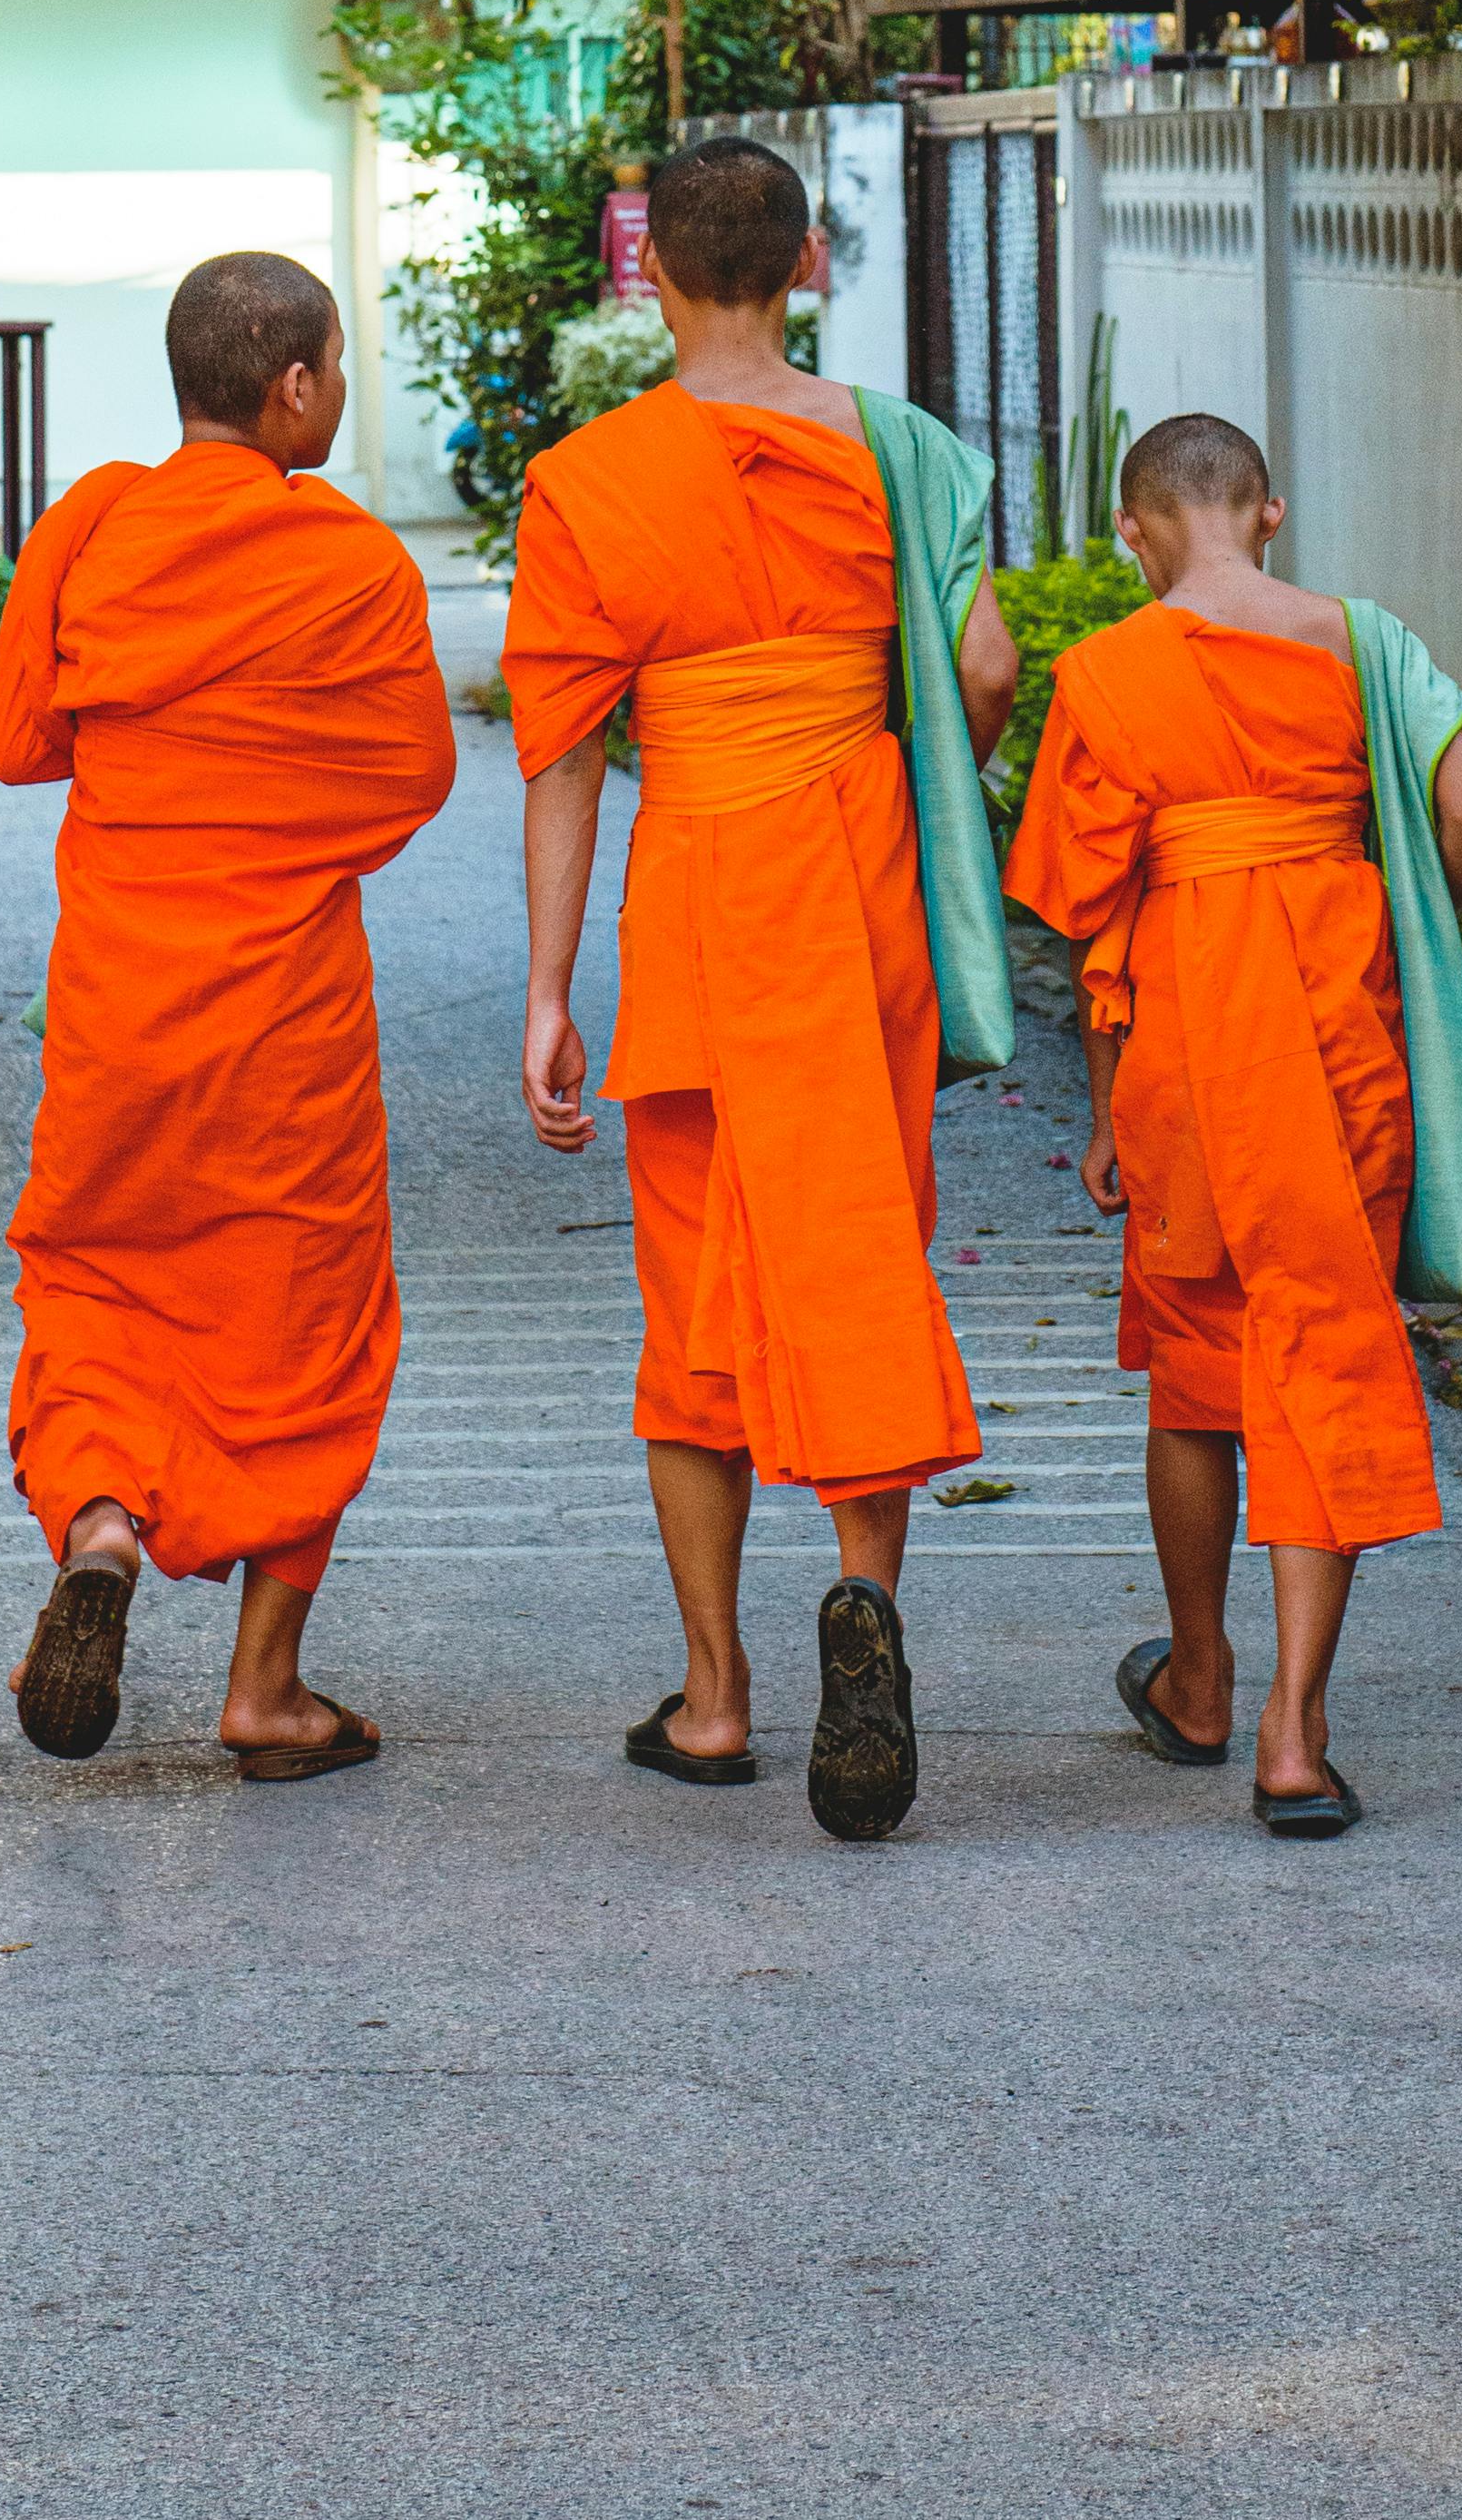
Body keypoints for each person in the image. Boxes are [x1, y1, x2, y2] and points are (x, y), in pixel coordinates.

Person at [504, 134, 1021, 1843]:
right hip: (858, 881)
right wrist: (906, 766)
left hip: (703, 892)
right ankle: (861, 1600)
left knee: (694, 1289)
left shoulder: (590, 478)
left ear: (651, 272)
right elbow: (985, 667)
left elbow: (566, 754)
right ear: (807, 264)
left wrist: (546, 991)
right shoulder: (903, 454)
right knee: (854, 1234)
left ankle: (716, 1695)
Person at [0, 249, 455, 1779]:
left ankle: (104, 1525)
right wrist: (278, 814)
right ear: (297, 386)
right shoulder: (355, 562)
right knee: (297, 1323)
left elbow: (15, 733)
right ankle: (265, 1684)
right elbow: (410, 781)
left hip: (119, 1001)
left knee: (103, 1278)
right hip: (282, 1019)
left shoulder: (94, 524)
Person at [1006, 409, 1462, 1842]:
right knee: (1322, 1343)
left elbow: (1090, 922)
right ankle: (1298, 1728)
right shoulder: (1358, 638)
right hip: (1338, 1037)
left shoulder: (1106, 673)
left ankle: (1201, 1679)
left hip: (1182, 1057)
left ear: (1130, 531)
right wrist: (1401, 925)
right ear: (1268, 512)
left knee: (1194, 1367)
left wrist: (1103, 1111)